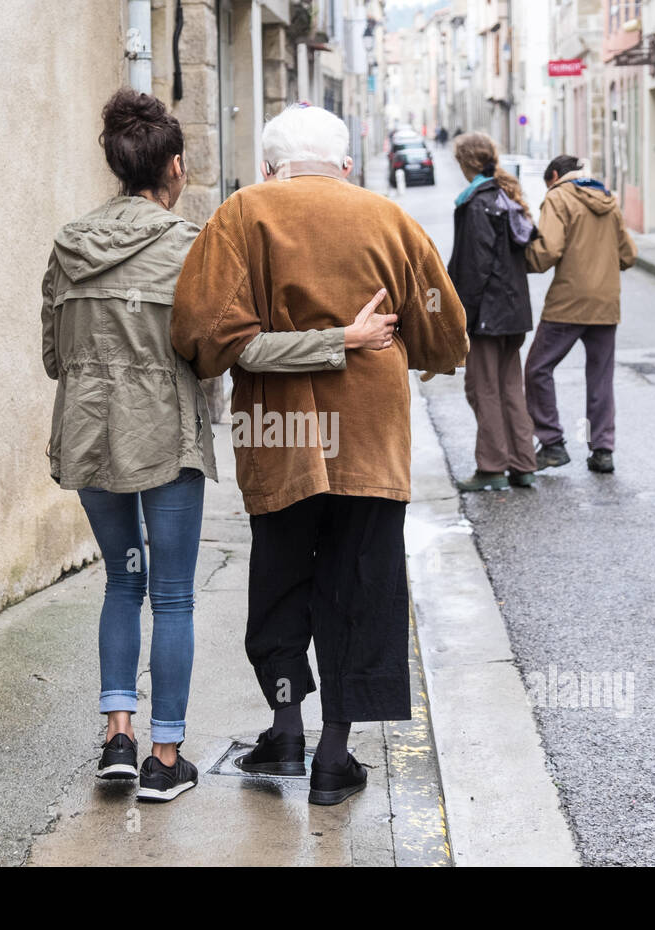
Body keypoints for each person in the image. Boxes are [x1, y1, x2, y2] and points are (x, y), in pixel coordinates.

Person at [40, 89, 398, 803]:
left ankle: (118, 735)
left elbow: (54, 357)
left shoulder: (69, 243)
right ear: (174, 168)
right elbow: (232, 353)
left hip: (86, 436)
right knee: (171, 598)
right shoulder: (194, 246)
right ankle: (165, 758)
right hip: (167, 441)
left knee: (122, 581)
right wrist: (342, 341)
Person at [171, 104, 468, 807]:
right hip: (370, 437)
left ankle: (285, 729)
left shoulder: (241, 215)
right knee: (361, 584)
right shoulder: (390, 219)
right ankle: (335, 757)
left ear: (271, 165)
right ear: (346, 164)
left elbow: (201, 332)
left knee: (280, 581)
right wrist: (401, 345)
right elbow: (445, 329)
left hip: (280, 439)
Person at [524, 155, 637, 474]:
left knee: (537, 369)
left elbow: (547, 251)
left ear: (555, 175)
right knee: (600, 377)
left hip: (568, 302)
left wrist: (521, 263)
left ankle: (552, 443)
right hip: (606, 303)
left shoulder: (558, 197)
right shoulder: (607, 199)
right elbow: (628, 255)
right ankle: (602, 450)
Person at [447, 132, 539, 491]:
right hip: (513, 312)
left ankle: (491, 468)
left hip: (487, 314)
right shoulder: (506, 195)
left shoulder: (476, 202)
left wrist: (461, 317)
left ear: (466, 163)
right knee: (510, 387)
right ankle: (523, 464)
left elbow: (475, 267)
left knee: (482, 387)